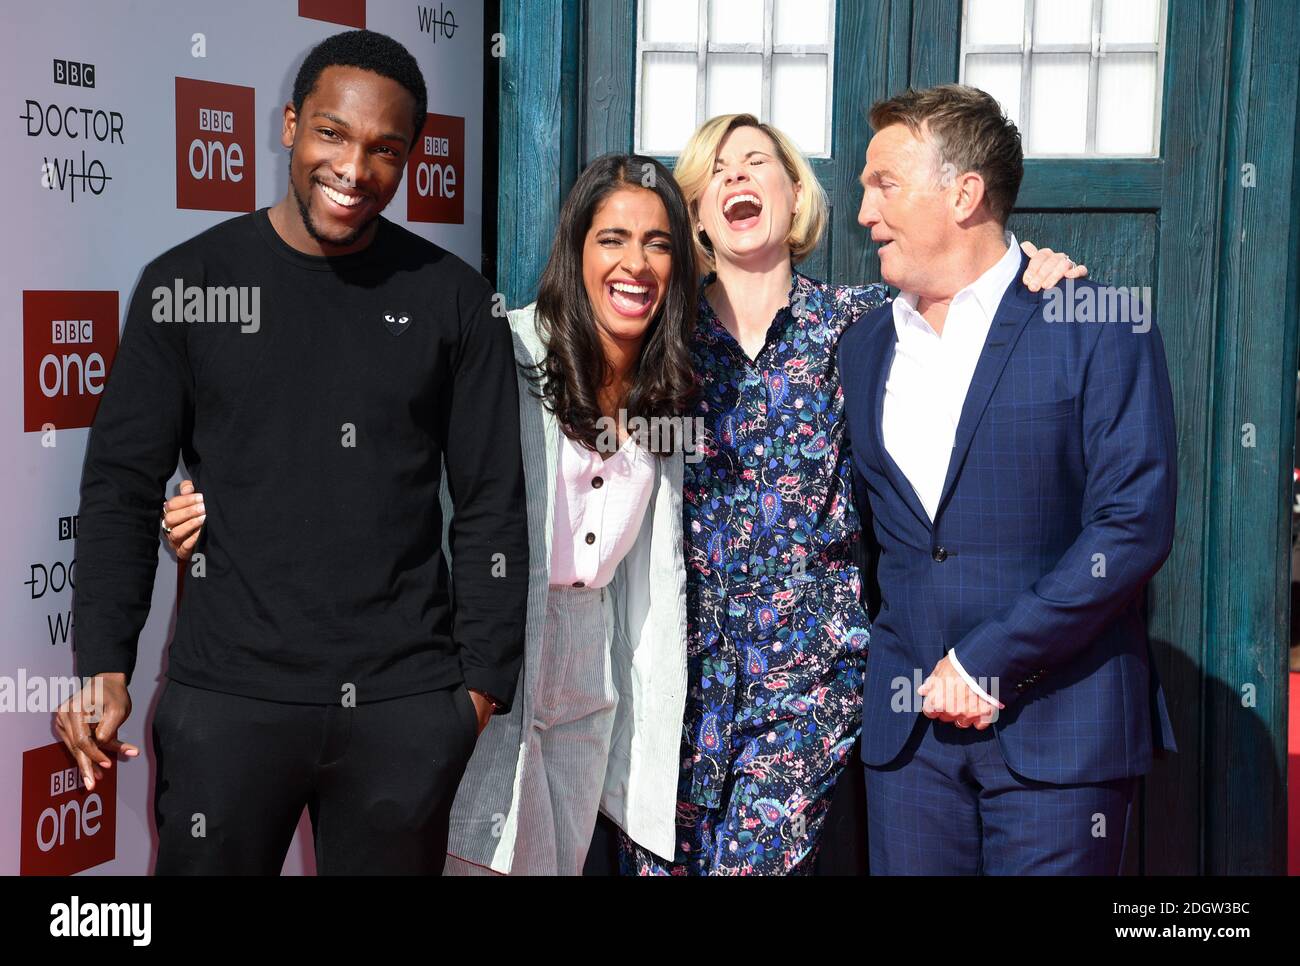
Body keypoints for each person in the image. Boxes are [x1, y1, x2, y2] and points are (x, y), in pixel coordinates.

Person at [58, 29, 529, 875]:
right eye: (332, 134)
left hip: (404, 707)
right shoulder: (187, 285)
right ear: (288, 125)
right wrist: (104, 666)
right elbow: (123, 487)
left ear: (411, 159)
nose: (354, 169)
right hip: (227, 701)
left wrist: (478, 691)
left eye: (386, 149)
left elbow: (493, 501)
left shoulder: (453, 300)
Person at [164, 154, 699, 875]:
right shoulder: (502, 347)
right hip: (472, 653)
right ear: (576, 250)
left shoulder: (666, 388)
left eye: (657, 243)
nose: (634, 263)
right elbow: (367, 446)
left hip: (583, 681)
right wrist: (222, 502)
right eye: (612, 238)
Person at [618, 111, 1084, 875]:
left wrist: (1040, 263)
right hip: (674, 677)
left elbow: (976, 283)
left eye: (756, 161)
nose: (736, 176)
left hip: (808, 677)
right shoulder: (660, 340)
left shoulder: (867, 324)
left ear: (793, 192)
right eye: (716, 170)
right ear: (696, 212)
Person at [841, 84, 1178, 874]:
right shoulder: (860, 347)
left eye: (883, 184)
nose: (862, 211)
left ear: (964, 193)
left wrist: (991, 657)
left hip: (1063, 735)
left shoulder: (1093, 321)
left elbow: (1132, 524)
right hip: (908, 745)